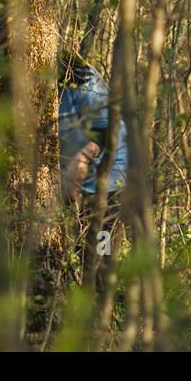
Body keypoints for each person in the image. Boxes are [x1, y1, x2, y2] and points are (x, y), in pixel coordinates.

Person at [58, 51, 127, 281]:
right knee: (81, 246)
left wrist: (80, 163)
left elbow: (105, 135)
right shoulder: (59, 89)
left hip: (107, 179)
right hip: (81, 177)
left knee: (99, 244)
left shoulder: (85, 86)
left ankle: (101, 297)